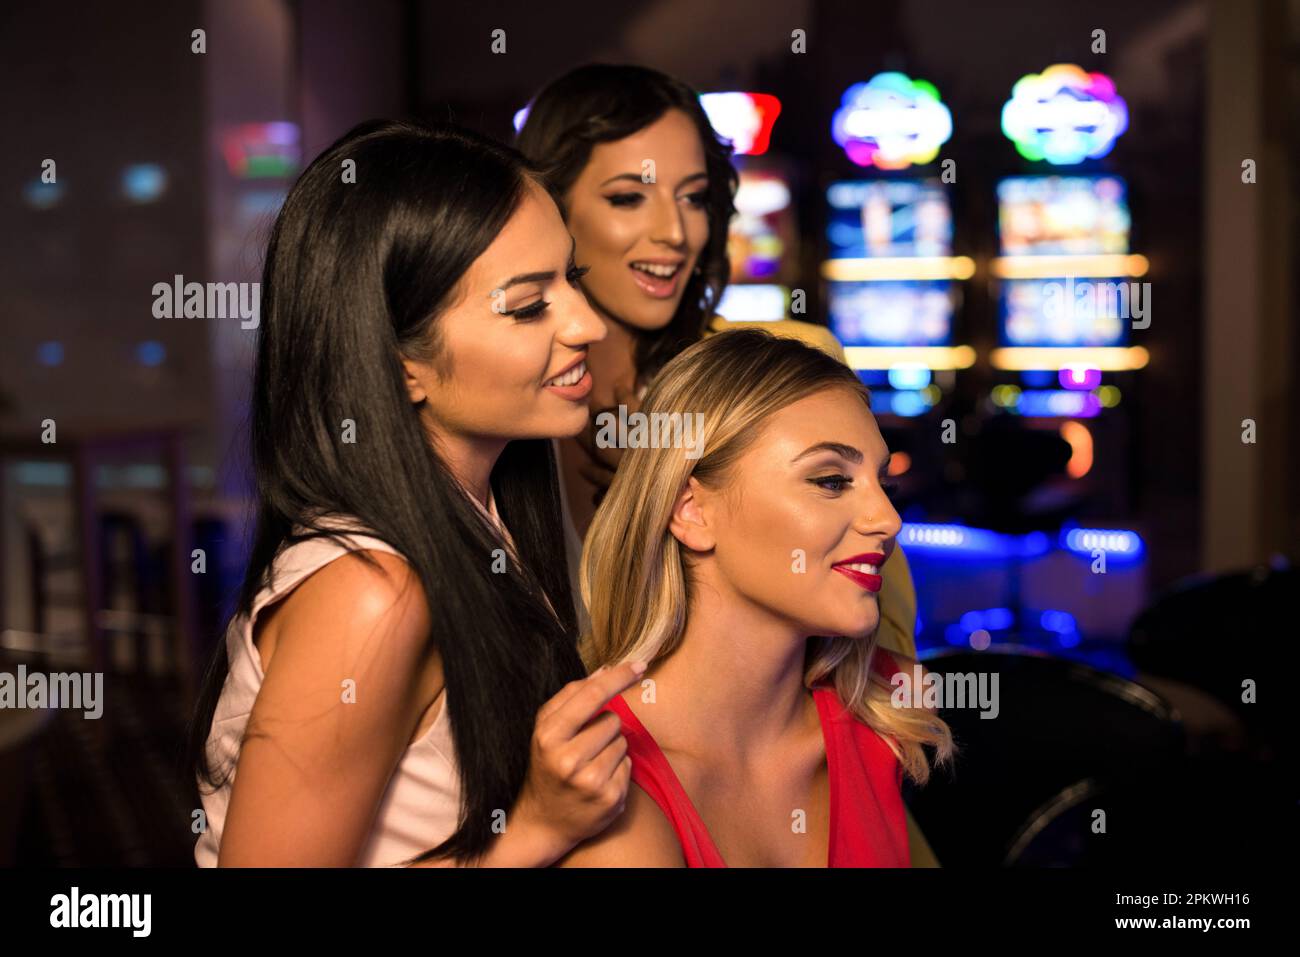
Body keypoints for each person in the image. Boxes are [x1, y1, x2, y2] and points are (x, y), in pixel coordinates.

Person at [186, 119, 643, 867]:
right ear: (400, 364)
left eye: (575, 282)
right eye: (529, 305)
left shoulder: (491, 516)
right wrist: (535, 830)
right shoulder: (370, 594)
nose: (588, 324)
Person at [518, 64, 938, 863]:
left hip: (812, 791)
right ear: (549, 211)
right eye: (628, 196)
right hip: (589, 802)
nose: (675, 233)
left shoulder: (781, 371)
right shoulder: (512, 418)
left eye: (695, 195)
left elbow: (877, 628)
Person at [561, 330, 955, 866]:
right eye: (831, 481)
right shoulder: (601, 780)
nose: (888, 520)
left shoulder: (884, 717)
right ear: (692, 511)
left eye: (881, 481)